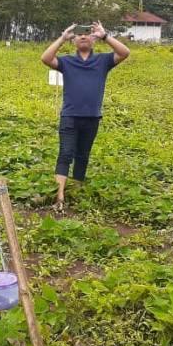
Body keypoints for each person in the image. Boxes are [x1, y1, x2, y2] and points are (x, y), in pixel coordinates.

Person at [40, 21, 130, 211]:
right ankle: (60, 196)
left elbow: (124, 53)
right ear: (74, 41)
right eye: (79, 34)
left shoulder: (103, 61)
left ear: (94, 40)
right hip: (70, 116)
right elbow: (46, 58)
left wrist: (105, 35)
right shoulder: (66, 62)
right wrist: (63, 38)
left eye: (88, 33)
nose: (83, 36)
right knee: (65, 154)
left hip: (92, 117)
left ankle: (77, 188)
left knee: (83, 155)